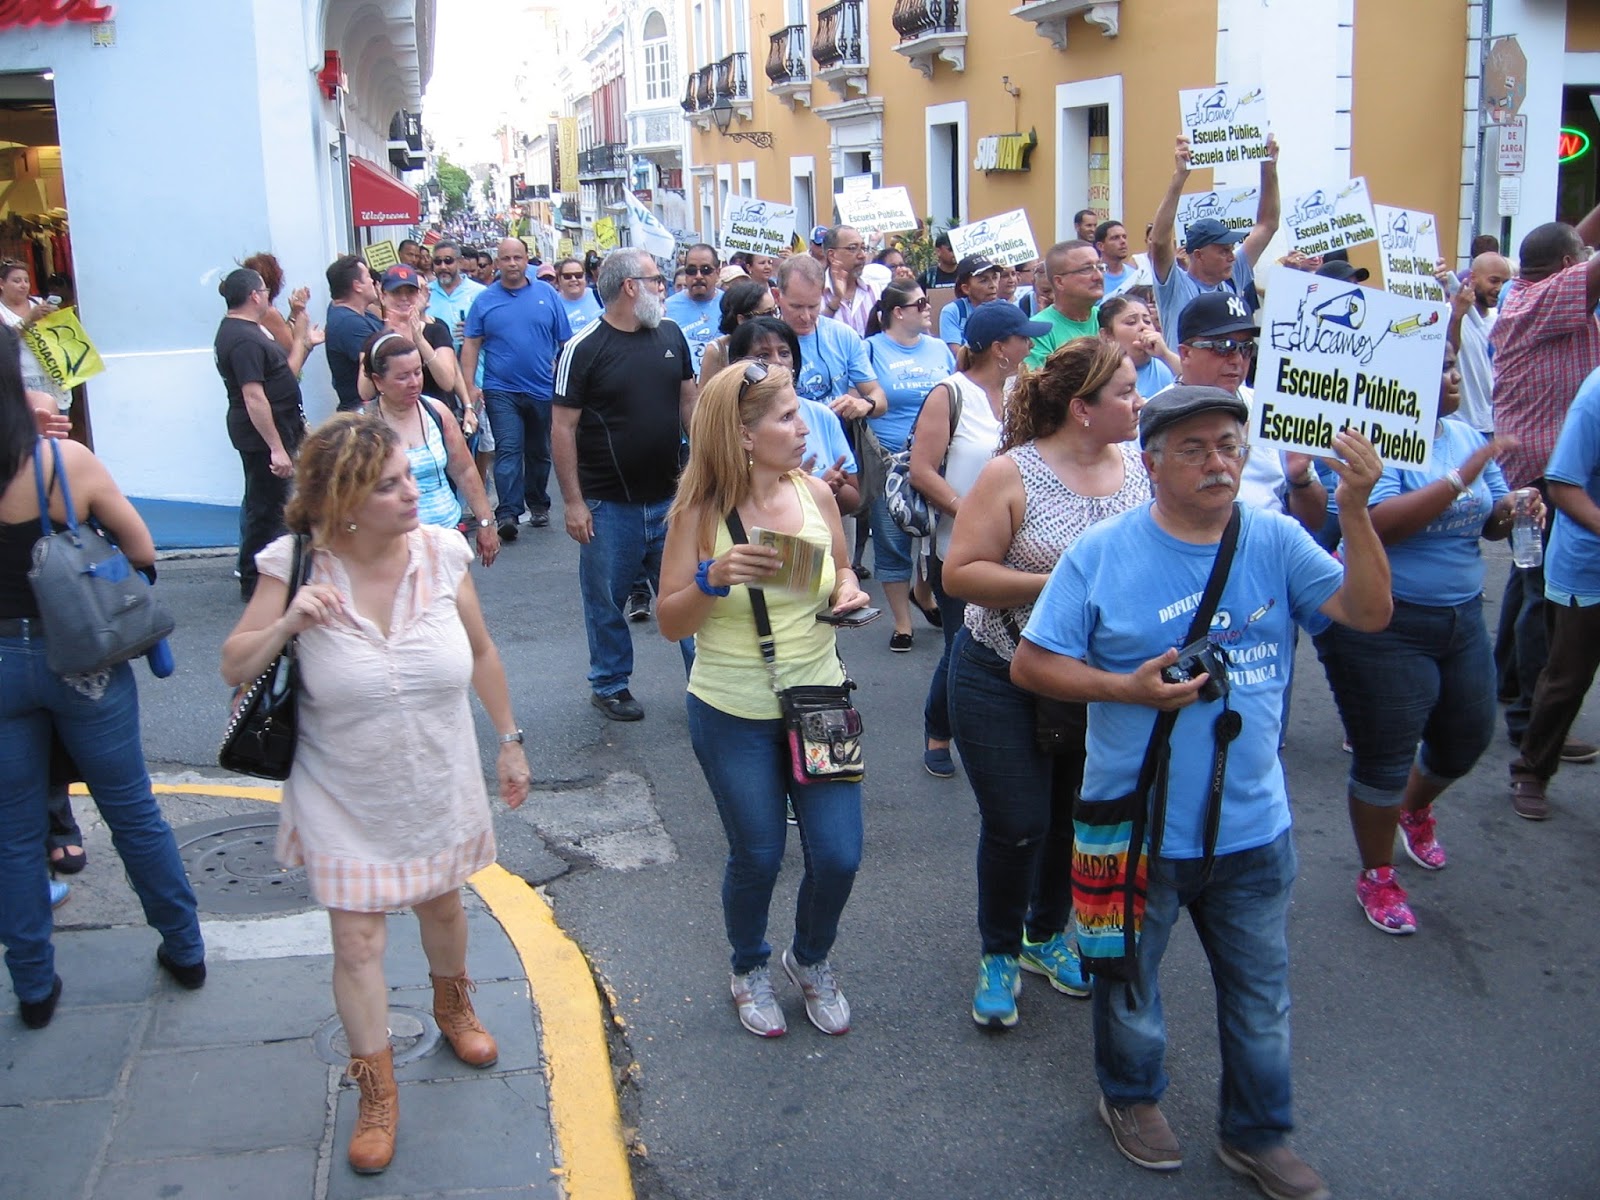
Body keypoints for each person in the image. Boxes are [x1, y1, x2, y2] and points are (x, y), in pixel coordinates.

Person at [1011, 385, 1393, 1199]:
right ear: (1150, 465)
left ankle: (1258, 1134)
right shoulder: (1102, 554)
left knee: (1261, 999)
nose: (1218, 461)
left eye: (1228, 444)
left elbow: (1366, 612)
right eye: (1193, 448)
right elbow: (1032, 664)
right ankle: (1131, 1097)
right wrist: (1127, 689)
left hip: (1256, 827)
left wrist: (1356, 510)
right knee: (1128, 982)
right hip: (1134, 826)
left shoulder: (1277, 539)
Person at [221, 414, 529, 1175]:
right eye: (389, 484)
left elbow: (482, 650)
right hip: (340, 793)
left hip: (435, 774)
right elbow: (235, 665)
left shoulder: (442, 551)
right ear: (345, 500)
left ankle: (453, 1006)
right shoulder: (295, 563)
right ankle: (377, 1090)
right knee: (356, 941)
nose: (411, 492)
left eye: (408, 477)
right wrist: (289, 620)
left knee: (443, 905)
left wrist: (510, 741)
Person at [657, 360, 872, 1039]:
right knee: (757, 854)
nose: (803, 426)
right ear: (744, 436)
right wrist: (711, 578)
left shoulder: (816, 493)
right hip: (731, 709)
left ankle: (809, 958)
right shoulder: (697, 513)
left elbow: (839, 570)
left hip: (821, 699)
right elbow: (669, 622)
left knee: (838, 854)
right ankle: (748, 965)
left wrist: (847, 592)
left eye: (799, 412)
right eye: (786, 417)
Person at [1, 329, 206, 1029]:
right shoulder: (66, 462)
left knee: (12, 832)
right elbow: (141, 549)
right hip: (84, 662)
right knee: (131, 810)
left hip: (0, 665)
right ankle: (184, 949)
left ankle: (33, 987)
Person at [944, 336, 1147, 1026]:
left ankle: (1042, 936)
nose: (1138, 401)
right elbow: (962, 573)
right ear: (1082, 408)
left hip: (1089, 682)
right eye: (1124, 391)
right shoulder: (1013, 472)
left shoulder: (1142, 468)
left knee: (1072, 821)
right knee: (1019, 824)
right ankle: (998, 952)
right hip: (998, 673)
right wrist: (1066, 585)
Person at [1317, 350, 1522, 935]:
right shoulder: (1371, 443)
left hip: (1460, 615)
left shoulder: (1462, 434)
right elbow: (1379, 523)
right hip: (1387, 622)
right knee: (1384, 755)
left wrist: (1511, 508)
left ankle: (1415, 806)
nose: (1457, 378)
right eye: (1445, 368)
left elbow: (1489, 522)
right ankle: (1376, 875)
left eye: (1458, 366)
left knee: (1467, 738)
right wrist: (1464, 475)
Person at [552, 249, 697, 721]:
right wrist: (574, 504)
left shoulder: (670, 335)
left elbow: (689, 403)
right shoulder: (583, 348)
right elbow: (561, 429)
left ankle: (707, 683)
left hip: (671, 497)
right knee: (607, 600)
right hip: (608, 503)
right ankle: (610, 683)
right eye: (657, 279)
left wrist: (707, 466)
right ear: (630, 286)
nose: (664, 286)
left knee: (687, 592)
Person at [911, 302, 1047, 774]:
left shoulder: (1023, 392)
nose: (1031, 346)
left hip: (1016, 549)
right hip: (956, 548)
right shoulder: (949, 394)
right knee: (961, 645)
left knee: (1010, 641)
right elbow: (922, 469)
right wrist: (967, 511)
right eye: (1023, 338)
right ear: (999, 348)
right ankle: (938, 732)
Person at [1490, 207, 1600, 755]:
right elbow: (1584, 258)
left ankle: (1507, 683)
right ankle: (1531, 719)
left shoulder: (1525, 293)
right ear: (1564, 267)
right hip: (1543, 473)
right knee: (1546, 597)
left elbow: (1576, 241)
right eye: (1580, 260)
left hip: (1531, 464)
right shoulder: (1544, 298)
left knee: (1525, 580)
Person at [1509, 364, 1600, 818]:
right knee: (1567, 678)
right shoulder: (1596, 394)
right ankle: (1531, 769)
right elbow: (1563, 485)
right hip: (1588, 566)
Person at [214, 267, 325, 601]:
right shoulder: (241, 337)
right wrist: (276, 447)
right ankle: (256, 581)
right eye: (264, 290)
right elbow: (254, 396)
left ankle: (280, 573)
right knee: (266, 509)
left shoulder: (253, 331)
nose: (267, 295)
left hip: (284, 426)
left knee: (277, 502)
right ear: (253, 296)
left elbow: (284, 374)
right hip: (263, 436)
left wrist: (305, 342)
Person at [461, 237, 572, 541]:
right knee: (508, 447)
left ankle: (538, 504)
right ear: (497, 262)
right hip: (500, 388)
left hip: (541, 388)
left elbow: (566, 343)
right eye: (506, 258)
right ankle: (508, 512)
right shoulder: (485, 300)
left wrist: (567, 378)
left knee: (538, 451)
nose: (512, 264)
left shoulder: (547, 295)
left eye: (517, 258)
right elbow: (471, 344)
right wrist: (468, 385)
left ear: (527, 261)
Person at [863, 280, 955, 645]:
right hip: (890, 460)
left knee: (936, 535)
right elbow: (863, 396)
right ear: (898, 312)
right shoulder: (870, 349)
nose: (927, 308)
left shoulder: (938, 349)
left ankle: (924, 592)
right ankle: (903, 623)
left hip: (937, 457)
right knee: (892, 538)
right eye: (920, 304)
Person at [360, 332, 499, 566]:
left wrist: (486, 522)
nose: (414, 382)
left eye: (417, 372)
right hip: (395, 549)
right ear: (378, 380)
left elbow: (464, 470)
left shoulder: (436, 412)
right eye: (403, 376)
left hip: (448, 537)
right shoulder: (363, 428)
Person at [1148, 134, 1282, 335]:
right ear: (1199, 255)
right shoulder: (1175, 286)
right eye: (1223, 250)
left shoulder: (1233, 275)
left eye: (1231, 249)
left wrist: (1269, 167)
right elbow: (1159, 241)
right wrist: (1180, 177)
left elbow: (1267, 225)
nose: (1232, 256)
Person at [729, 316, 860, 515]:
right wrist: (798, 490)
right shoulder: (730, 421)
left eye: (784, 353)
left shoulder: (821, 415)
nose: (777, 362)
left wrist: (830, 488)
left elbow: (854, 499)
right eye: (763, 355)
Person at [775, 255, 886, 422]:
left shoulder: (843, 336)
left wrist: (865, 404)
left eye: (813, 306)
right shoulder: (764, 342)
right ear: (777, 296)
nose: (805, 317)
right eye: (796, 307)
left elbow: (879, 399)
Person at [358, 266, 468, 428]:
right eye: (396, 292)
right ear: (383, 296)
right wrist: (383, 339)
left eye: (410, 292)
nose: (404, 298)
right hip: (392, 423)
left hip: (435, 419)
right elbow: (365, 392)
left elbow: (447, 382)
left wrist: (419, 339)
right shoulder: (375, 338)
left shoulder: (436, 330)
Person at [1435, 252, 1511, 435]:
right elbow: (1448, 354)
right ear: (1472, 279)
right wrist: (1457, 315)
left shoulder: (1501, 319)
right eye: (1494, 281)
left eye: (1505, 282)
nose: (1499, 288)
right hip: (1458, 424)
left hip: (1492, 426)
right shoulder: (1446, 314)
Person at [1025, 240, 1104, 369]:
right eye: (1086, 269)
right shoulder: (1038, 331)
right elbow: (1038, 385)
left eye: (1100, 267)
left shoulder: (1108, 318)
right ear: (1059, 282)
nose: (1098, 276)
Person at [324, 255, 384, 413]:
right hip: (361, 412)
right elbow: (383, 359)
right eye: (368, 277)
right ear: (357, 285)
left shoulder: (359, 313)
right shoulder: (349, 323)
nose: (373, 281)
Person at [696, 279, 779, 386]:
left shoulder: (779, 343)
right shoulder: (718, 350)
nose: (774, 319)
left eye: (775, 311)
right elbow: (705, 397)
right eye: (767, 313)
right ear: (742, 319)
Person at [1098, 293, 1179, 398]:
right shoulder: (1099, 375)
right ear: (1107, 335)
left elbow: (1196, 384)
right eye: (1131, 322)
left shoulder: (1166, 365)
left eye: (1147, 321)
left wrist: (1165, 354)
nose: (1143, 326)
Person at [665, 243, 723, 375]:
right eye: (692, 271)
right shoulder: (667, 308)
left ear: (717, 272)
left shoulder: (730, 304)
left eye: (706, 270)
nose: (698, 276)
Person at [241, 252, 311, 354]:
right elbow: (291, 352)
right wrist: (308, 343)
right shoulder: (267, 312)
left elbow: (280, 335)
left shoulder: (247, 309)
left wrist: (294, 312)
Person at [939, 255, 1001, 354]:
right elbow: (957, 355)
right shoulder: (953, 312)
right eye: (983, 280)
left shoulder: (1006, 310)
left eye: (994, 278)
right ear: (966, 288)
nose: (993, 285)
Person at [822, 225, 876, 335]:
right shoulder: (815, 292)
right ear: (832, 255)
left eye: (863, 248)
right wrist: (836, 300)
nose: (862, 255)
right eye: (852, 248)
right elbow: (812, 334)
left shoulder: (875, 289)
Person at [1094, 221, 1141, 298]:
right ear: (1100, 246)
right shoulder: (1093, 277)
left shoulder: (1135, 276)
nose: (1123, 241)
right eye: (1115, 238)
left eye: (1124, 237)